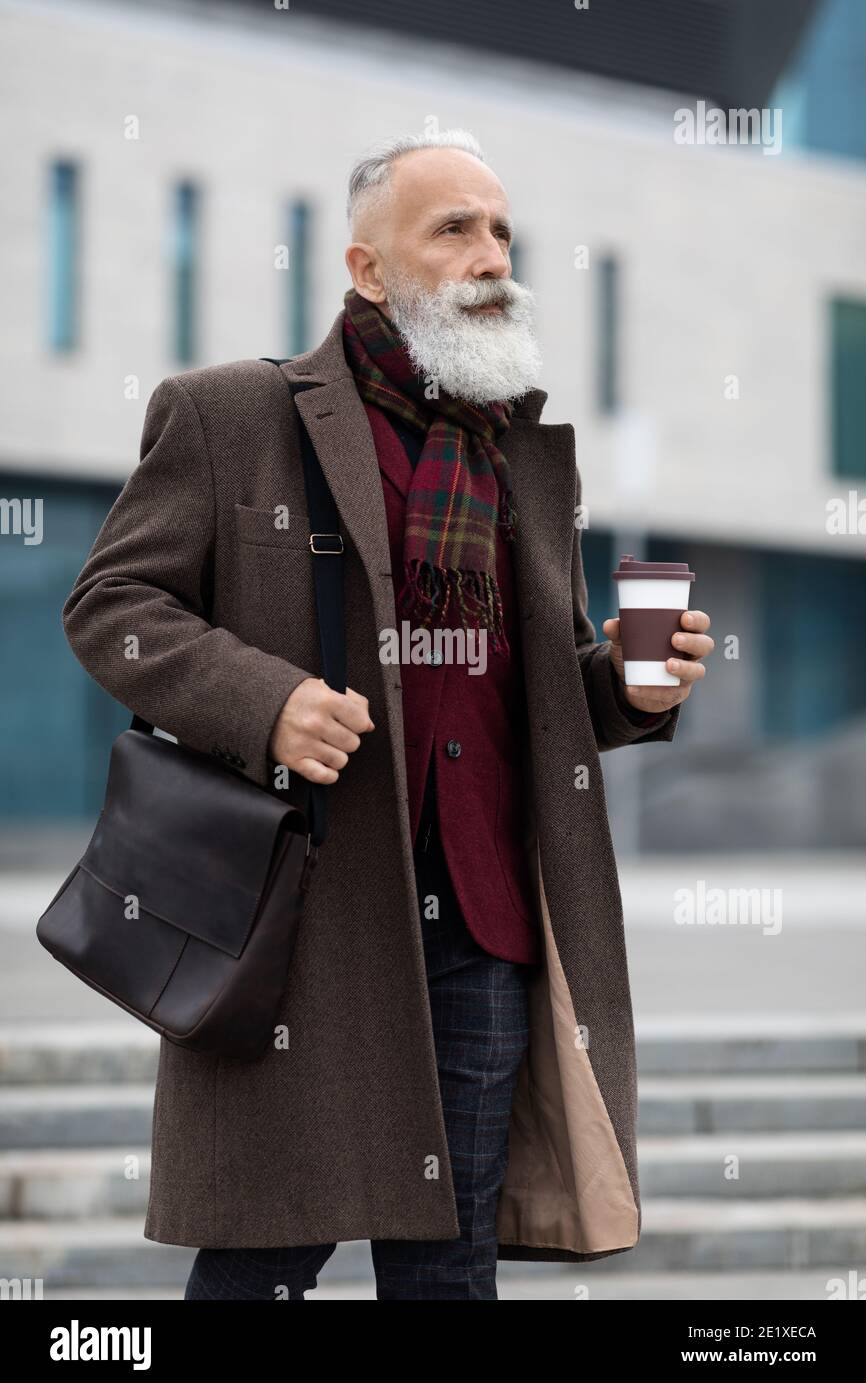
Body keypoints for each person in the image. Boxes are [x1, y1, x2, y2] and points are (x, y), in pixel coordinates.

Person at [62, 129, 713, 1300]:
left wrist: (627, 685)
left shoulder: (515, 451)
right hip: (296, 922)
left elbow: (542, 682)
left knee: (448, 1274)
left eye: (501, 230)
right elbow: (111, 604)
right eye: (453, 228)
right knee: (261, 1261)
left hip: (483, 925)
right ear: (367, 269)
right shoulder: (231, 415)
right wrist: (265, 703)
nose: (490, 254)